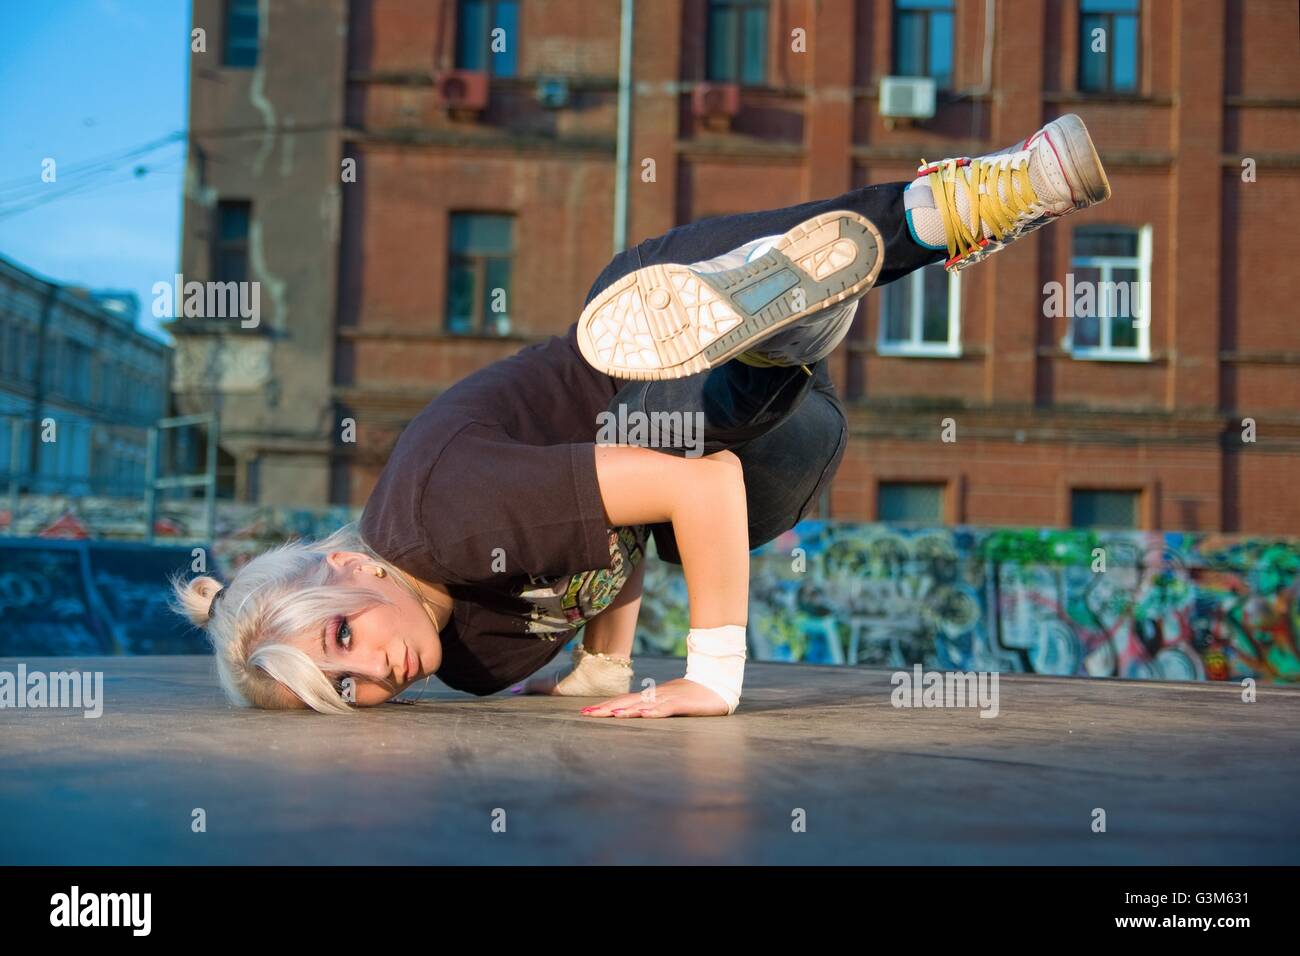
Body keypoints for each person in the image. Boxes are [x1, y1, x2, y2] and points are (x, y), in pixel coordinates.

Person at [170, 115, 1111, 718]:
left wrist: (713, 675)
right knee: (687, 486)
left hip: (653, 349)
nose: (373, 675)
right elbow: (597, 556)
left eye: (343, 640)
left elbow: (698, 485)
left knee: (675, 423)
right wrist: (605, 670)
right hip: (775, 449)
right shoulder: (467, 661)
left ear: (341, 567)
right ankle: (778, 333)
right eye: (344, 692)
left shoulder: (443, 517)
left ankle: (949, 210)